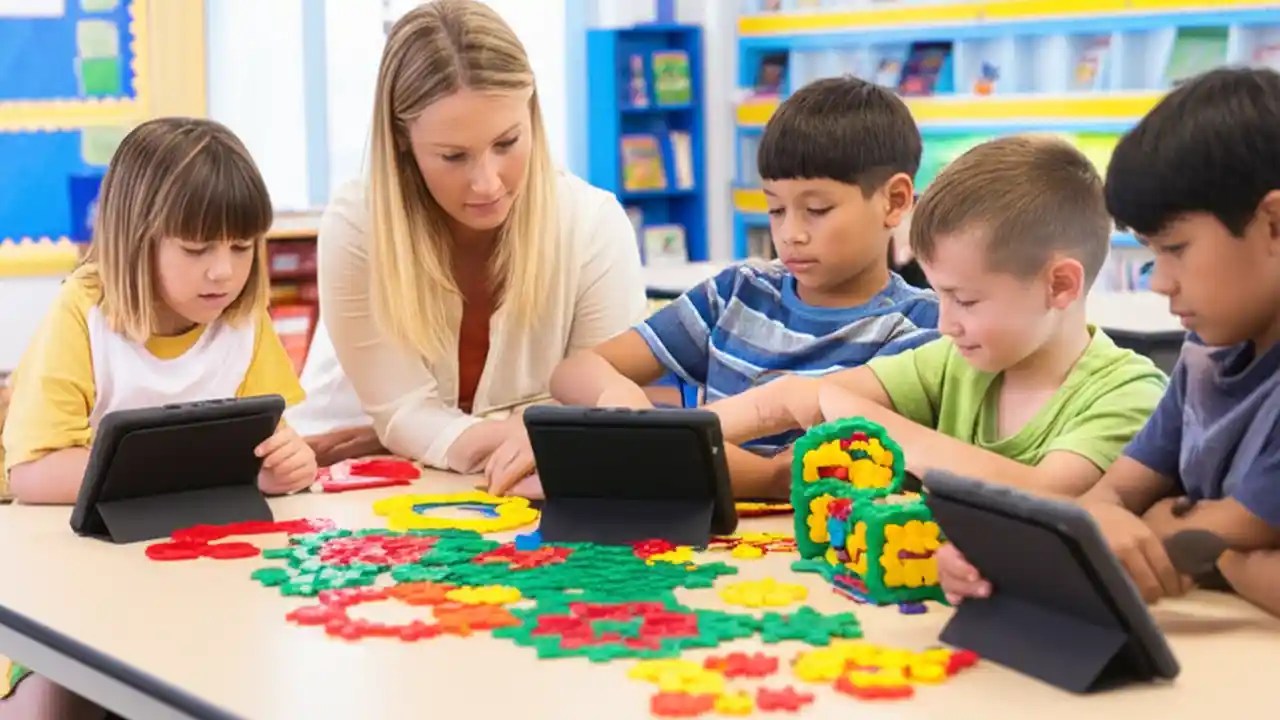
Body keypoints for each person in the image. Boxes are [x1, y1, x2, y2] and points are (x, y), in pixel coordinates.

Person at [0, 117, 315, 719]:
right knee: (59, 702)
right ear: (137, 240)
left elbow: (270, 441)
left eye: (242, 247)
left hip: (197, 582)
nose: (223, 271)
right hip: (67, 583)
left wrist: (285, 461)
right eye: (197, 250)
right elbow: (33, 474)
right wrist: (178, 473)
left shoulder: (241, 319)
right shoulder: (84, 314)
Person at [939, 67, 1280, 617]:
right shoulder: (1203, 359)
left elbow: (1233, 529)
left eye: (1176, 248)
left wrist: (1193, 541)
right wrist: (1021, 548)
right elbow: (1109, 497)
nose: (1158, 281)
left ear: (1274, 224)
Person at [518, 76, 940, 499]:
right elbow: (574, 371)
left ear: (896, 201)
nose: (790, 233)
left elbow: (808, 474)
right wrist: (621, 398)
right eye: (775, 209)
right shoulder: (737, 293)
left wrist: (654, 448)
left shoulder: (922, 329)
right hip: (699, 538)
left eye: (816, 209)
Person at [295, 0, 647, 489]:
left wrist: (430, 434)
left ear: (532, 114)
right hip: (348, 489)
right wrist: (535, 427)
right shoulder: (358, 226)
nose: (487, 183)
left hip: (523, 488)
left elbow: (606, 410)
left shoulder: (592, 224)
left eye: (506, 143)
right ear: (402, 140)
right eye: (453, 156)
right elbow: (403, 416)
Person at [708, 134, 1167, 498]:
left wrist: (855, 414)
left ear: (1060, 285)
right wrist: (665, 440)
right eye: (939, 296)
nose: (945, 323)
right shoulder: (952, 361)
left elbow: (1045, 495)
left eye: (965, 300)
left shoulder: (1131, 395)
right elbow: (789, 399)